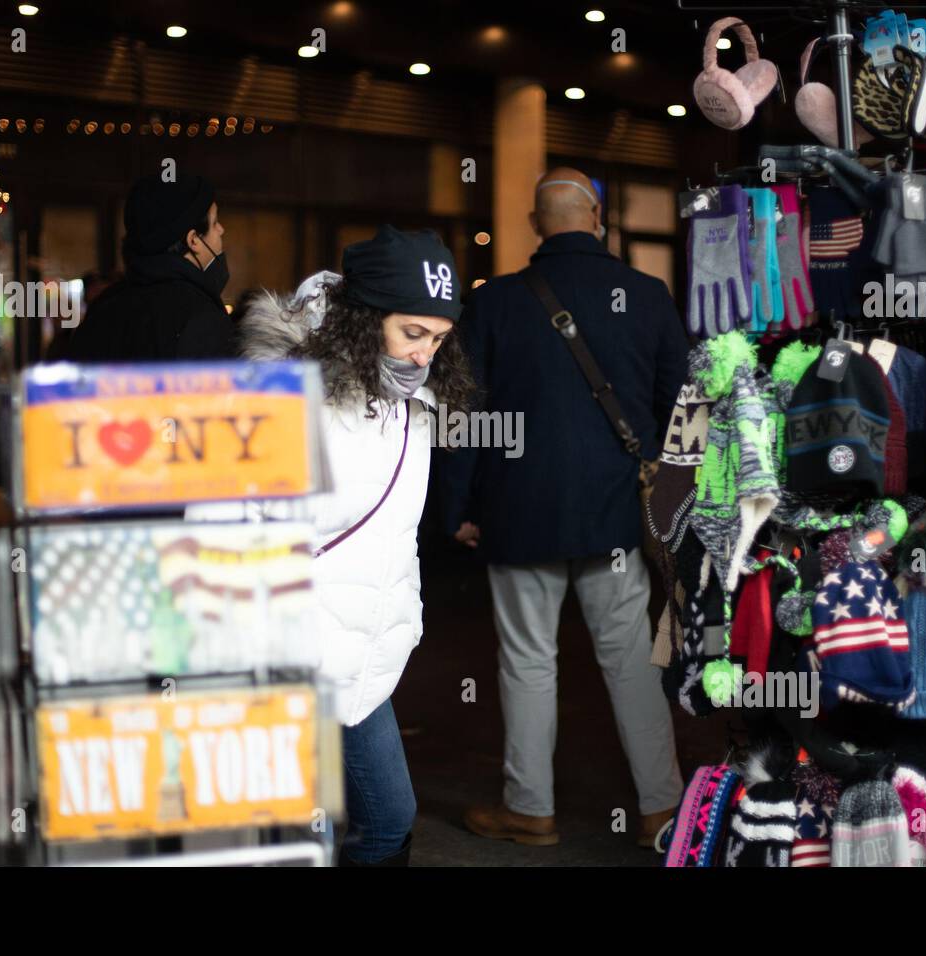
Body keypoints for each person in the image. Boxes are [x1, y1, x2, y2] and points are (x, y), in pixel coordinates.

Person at [440, 167, 690, 848]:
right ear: (599, 221)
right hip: (615, 517)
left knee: (527, 660)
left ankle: (531, 810)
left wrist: (458, 505)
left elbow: (465, 416)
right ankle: (660, 811)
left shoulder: (493, 304)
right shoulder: (646, 296)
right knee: (632, 659)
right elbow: (679, 412)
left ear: (534, 226)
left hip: (519, 515)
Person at [239, 225, 475, 866]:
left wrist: (404, 619)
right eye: (412, 333)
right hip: (285, 660)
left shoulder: (412, 400)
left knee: (390, 818)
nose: (426, 353)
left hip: (365, 657)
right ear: (367, 319)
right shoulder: (285, 394)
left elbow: (396, 529)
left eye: (439, 338)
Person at [67, 174, 234, 361]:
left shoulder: (101, 309)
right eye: (215, 222)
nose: (221, 230)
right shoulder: (202, 320)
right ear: (193, 239)